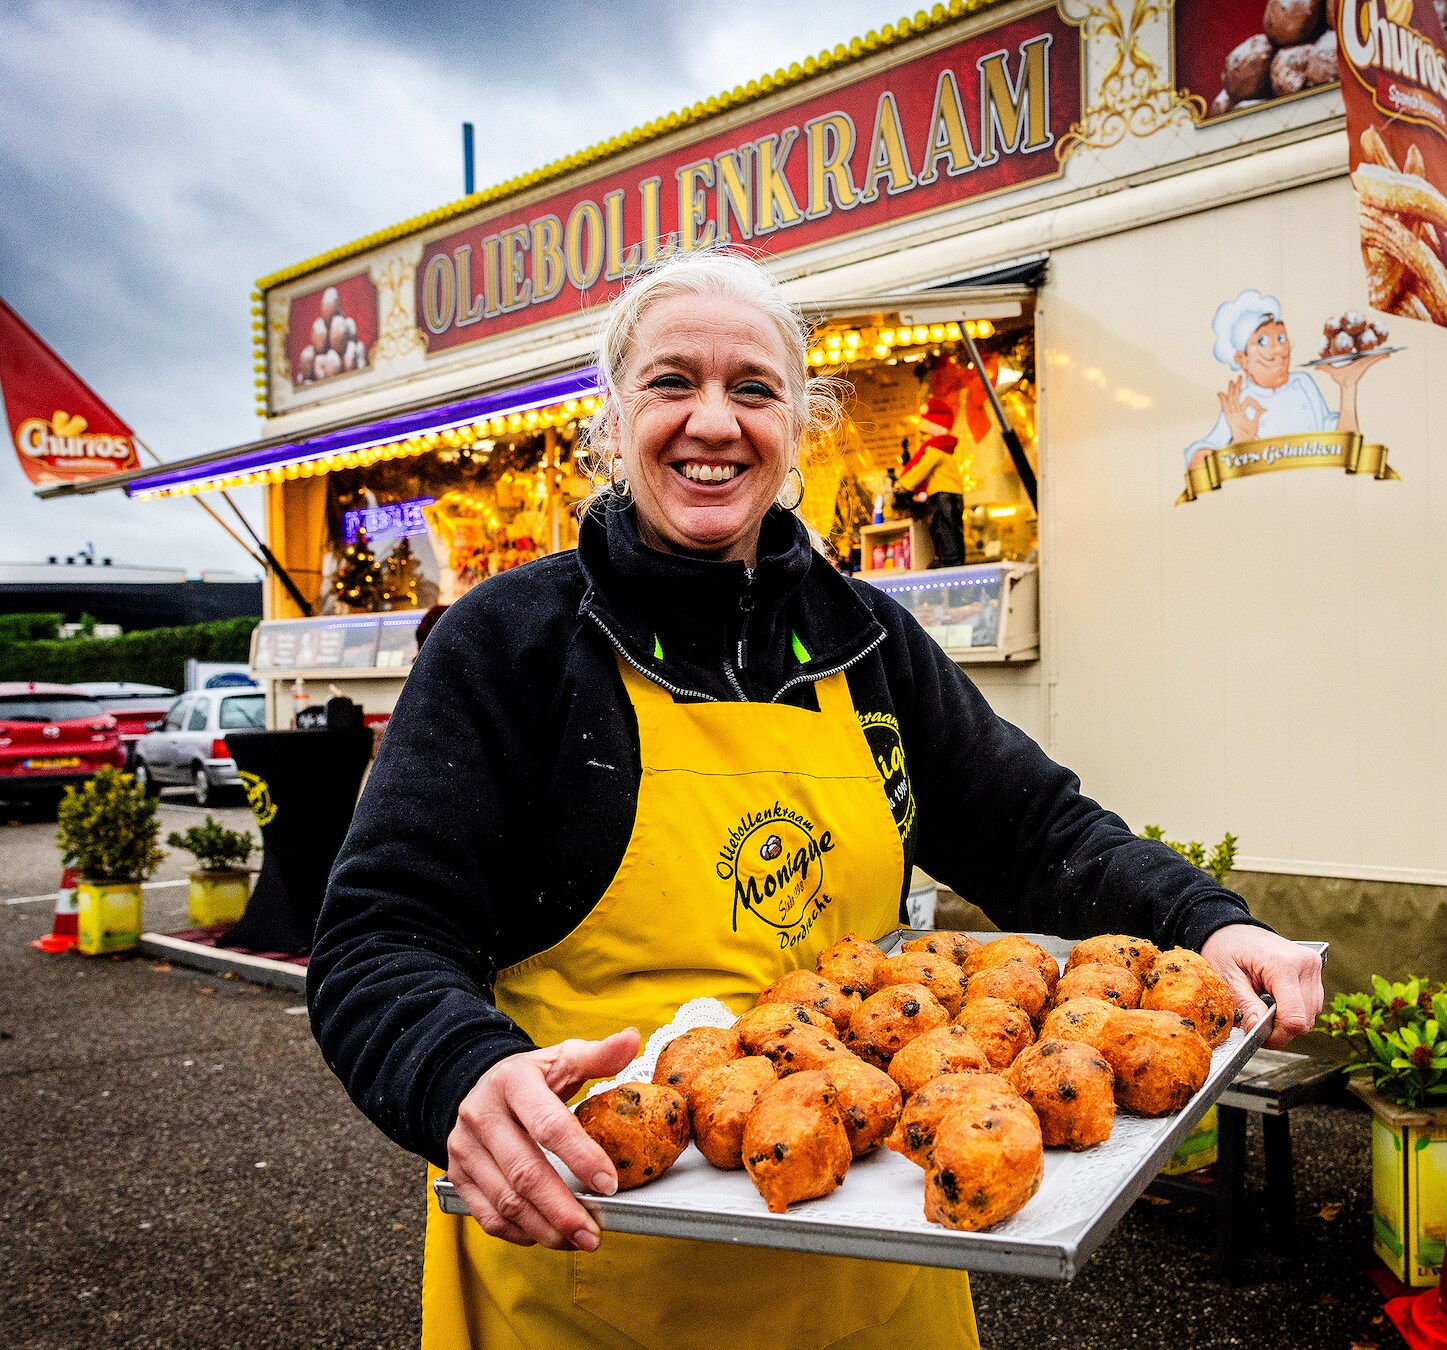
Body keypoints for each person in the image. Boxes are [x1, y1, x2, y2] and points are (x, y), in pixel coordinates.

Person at [308, 247, 1324, 1350]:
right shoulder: (508, 646)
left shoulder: (870, 641)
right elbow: (380, 937)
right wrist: (458, 1068)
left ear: (800, 425)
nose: (714, 421)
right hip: (594, 1270)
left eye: (753, 389)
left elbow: (1037, 831)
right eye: (670, 383)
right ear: (612, 421)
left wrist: (1206, 922)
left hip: (873, 1262)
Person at [1183, 288, 1384, 462]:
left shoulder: (1304, 383)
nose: (1279, 350)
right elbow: (1198, 458)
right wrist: (1239, 443)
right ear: (1242, 360)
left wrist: (1347, 387)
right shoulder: (1241, 404)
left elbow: (1341, 444)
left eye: (1280, 338)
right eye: (1262, 341)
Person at [896, 398, 965, 567]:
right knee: (952, 526)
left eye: (924, 434)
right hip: (952, 494)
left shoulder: (935, 450)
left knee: (942, 527)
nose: (922, 439)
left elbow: (921, 468)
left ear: (933, 432)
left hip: (942, 494)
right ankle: (954, 557)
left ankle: (949, 558)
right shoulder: (945, 451)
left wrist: (903, 484)